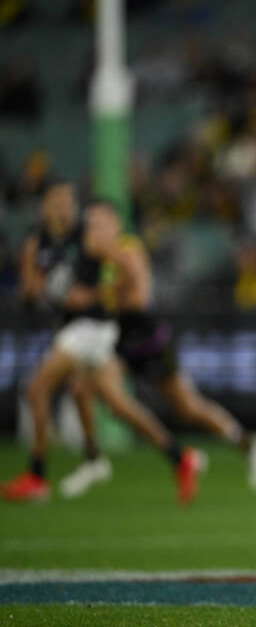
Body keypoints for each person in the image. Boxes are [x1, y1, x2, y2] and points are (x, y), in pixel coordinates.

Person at [60, 199, 256, 497]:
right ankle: (96, 458)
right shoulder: (99, 261)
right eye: (91, 225)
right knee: (85, 389)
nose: (93, 231)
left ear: (115, 225)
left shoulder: (127, 249)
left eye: (100, 224)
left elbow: (137, 299)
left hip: (145, 336)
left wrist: (100, 289)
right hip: (116, 337)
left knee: (187, 407)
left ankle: (247, 442)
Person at [2, 196, 201, 505]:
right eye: (90, 221)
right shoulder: (50, 243)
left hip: (91, 329)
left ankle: (38, 475)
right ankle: (178, 457)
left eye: (67, 203)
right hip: (83, 329)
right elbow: (36, 290)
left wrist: (94, 295)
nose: (91, 226)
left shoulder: (99, 242)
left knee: (37, 389)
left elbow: (129, 273)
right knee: (114, 404)